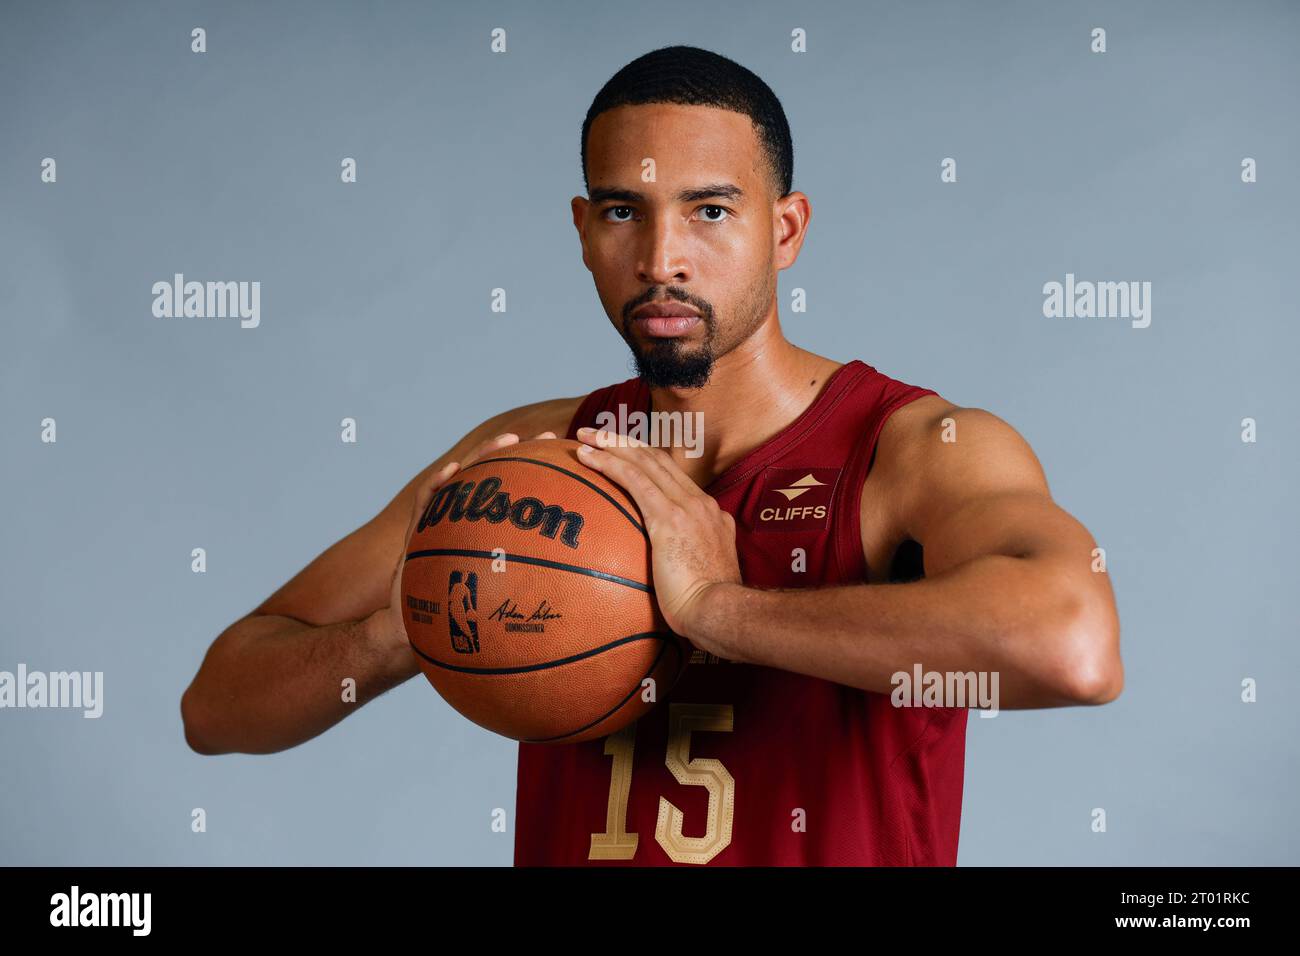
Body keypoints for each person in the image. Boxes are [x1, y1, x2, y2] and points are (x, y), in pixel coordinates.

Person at [182, 45, 1122, 866]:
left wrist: (721, 612)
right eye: (624, 213)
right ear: (586, 232)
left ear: (784, 230)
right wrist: (399, 633)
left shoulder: (915, 449)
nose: (663, 256)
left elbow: (1073, 648)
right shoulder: (533, 454)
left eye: (709, 211)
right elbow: (217, 706)